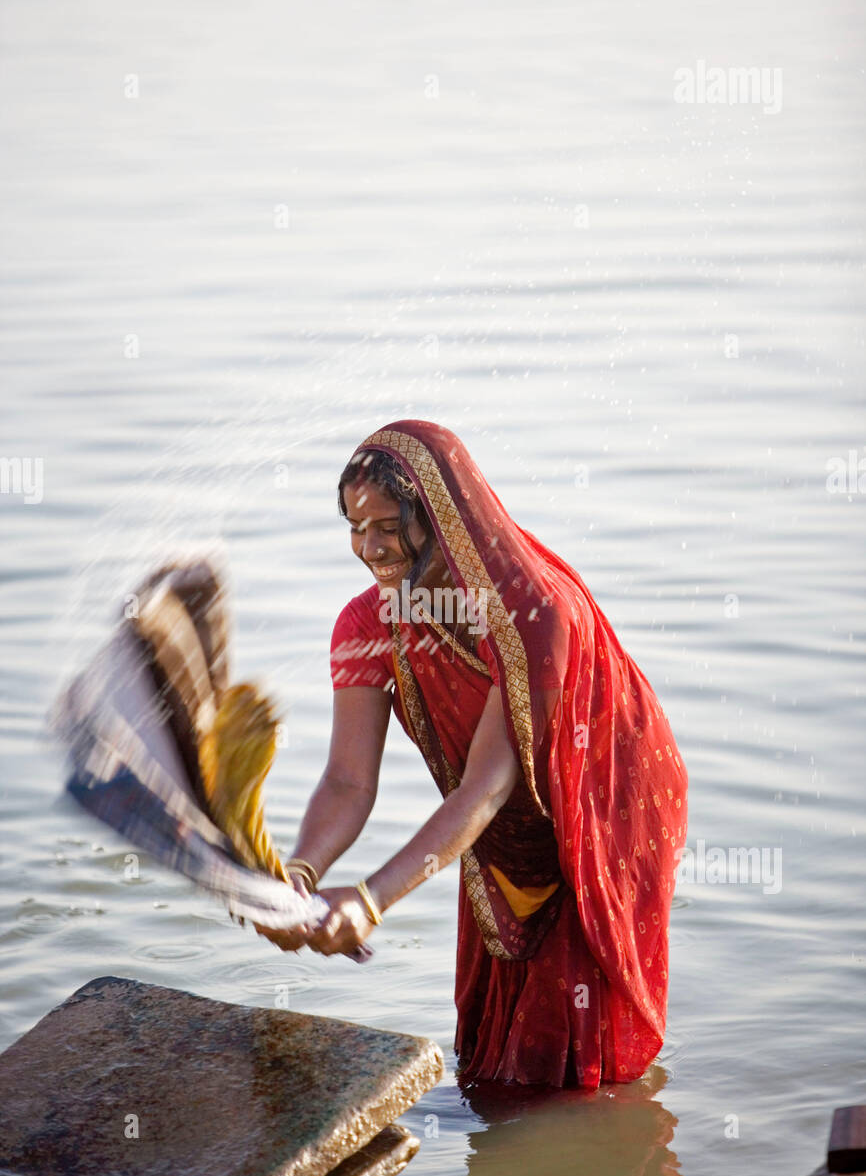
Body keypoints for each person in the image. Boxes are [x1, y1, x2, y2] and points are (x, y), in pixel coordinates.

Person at [260, 419, 688, 1089]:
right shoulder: (367, 624)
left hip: (600, 812)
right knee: (495, 1067)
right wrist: (301, 876)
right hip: (495, 830)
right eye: (354, 526)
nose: (369, 548)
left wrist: (370, 902)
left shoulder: (533, 615)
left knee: (586, 1072)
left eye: (386, 525)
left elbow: (487, 785)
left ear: (439, 515)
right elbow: (348, 780)